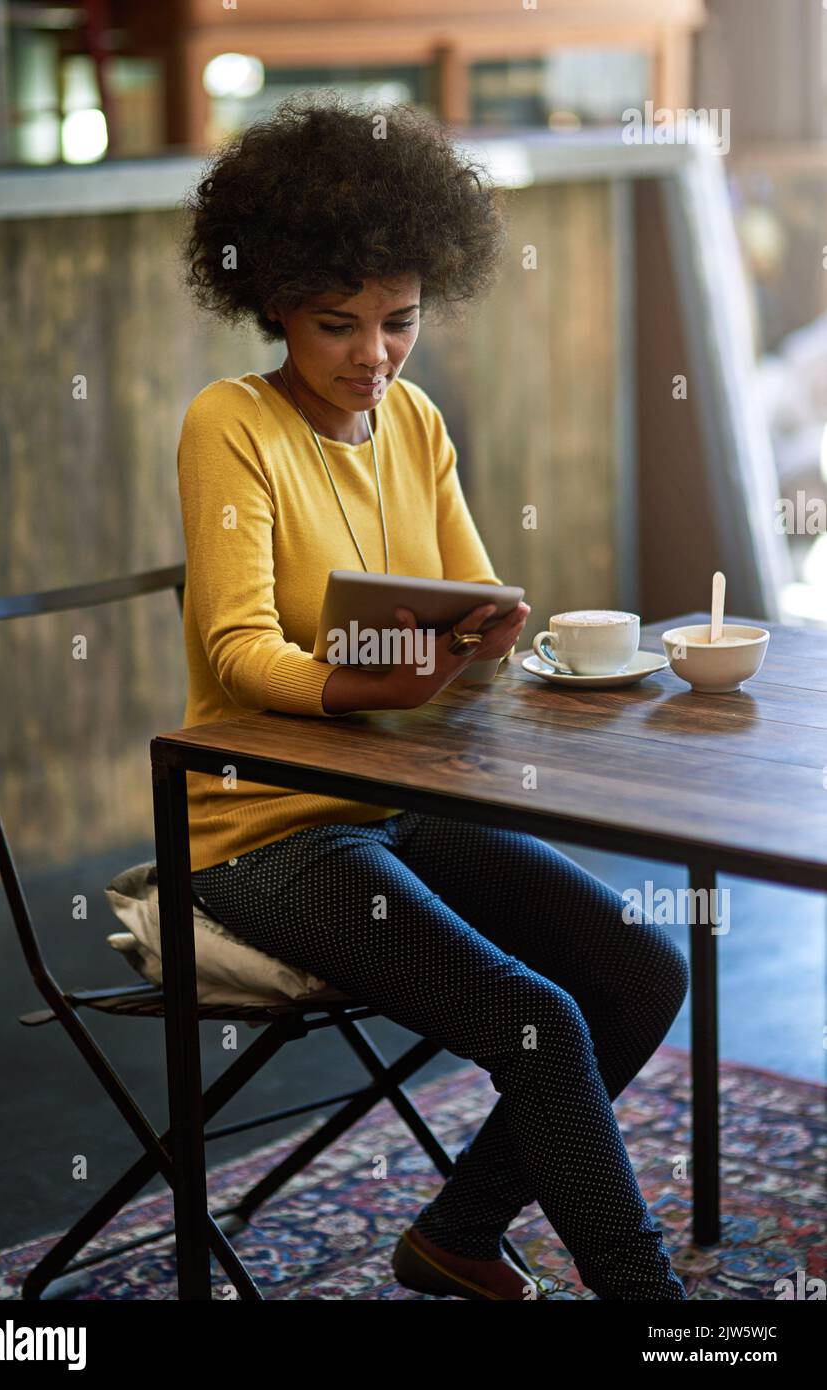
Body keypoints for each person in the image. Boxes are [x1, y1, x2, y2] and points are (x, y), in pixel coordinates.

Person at [177, 94, 689, 1301]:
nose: (372, 355)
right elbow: (239, 650)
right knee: (538, 1022)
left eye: (397, 322)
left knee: (643, 971)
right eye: (335, 323)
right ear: (273, 309)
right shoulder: (229, 424)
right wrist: (379, 681)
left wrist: (487, 635)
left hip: (395, 800)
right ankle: (650, 1304)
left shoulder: (413, 419)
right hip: (259, 828)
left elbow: (473, 606)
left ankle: (454, 1235)